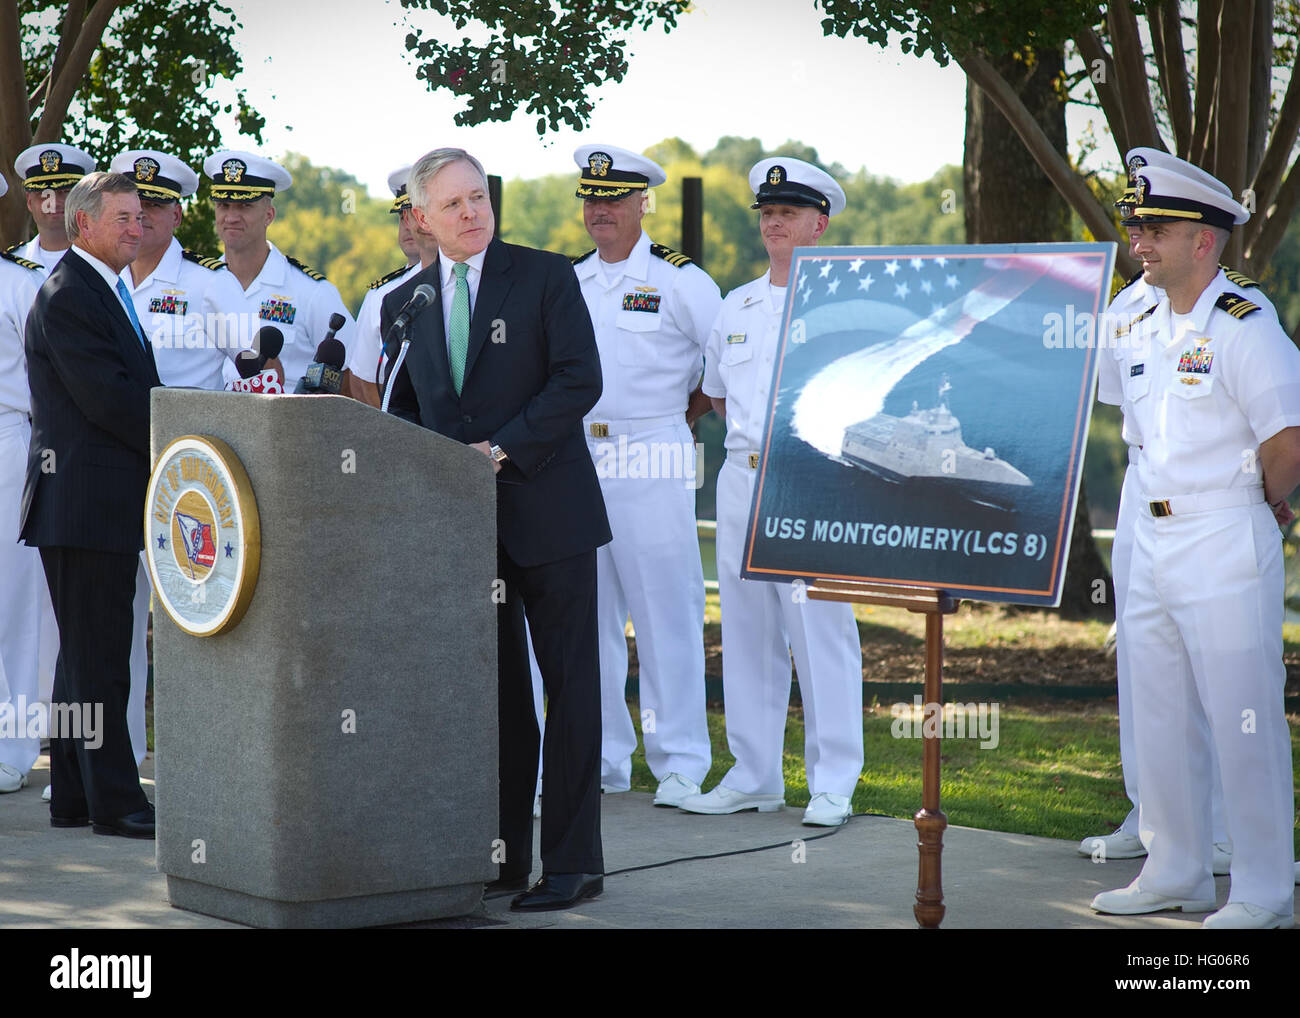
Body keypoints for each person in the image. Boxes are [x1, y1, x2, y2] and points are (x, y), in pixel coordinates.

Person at [381, 147, 610, 911]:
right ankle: (505, 857)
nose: (472, 212)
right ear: (420, 219)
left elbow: (579, 378)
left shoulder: (546, 276)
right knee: (501, 701)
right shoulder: (402, 304)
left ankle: (575, 864)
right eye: (452, 205)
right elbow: (407, 408)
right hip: (467, 531)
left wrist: (502, 447)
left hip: (553, 515)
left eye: (479, 197)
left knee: (571, 690)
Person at [1090, 158, 1300, 928]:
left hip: (1222, 530)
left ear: (1204, 241)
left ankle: (1265, 890)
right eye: (1136, 226)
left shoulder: (1245, 321)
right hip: (1147, 532)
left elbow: (1288, 440)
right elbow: (1124, 420)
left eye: (1155, 229)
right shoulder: (1132, 316)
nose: (1138, 241)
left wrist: (1259, 502)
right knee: (1161, 707)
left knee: (1243, 713)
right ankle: (1174, 866)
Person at [682, 157, 864, 827]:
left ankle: (835, 779)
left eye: (788, 213)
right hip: (741, 476)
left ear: (819, 224)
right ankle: (755, 772)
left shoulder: (845, 306)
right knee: (749, 628)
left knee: (819, 630)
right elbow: (723, 398)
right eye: (767, 212)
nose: (774, 222)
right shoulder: (738, 304)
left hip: (812, 480)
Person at [569, 143, 717, 807]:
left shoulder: (683, 281)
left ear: (641, 203)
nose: (601, 209)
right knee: (587, 618)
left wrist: (676, 423)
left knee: (667, 612)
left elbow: (720, 375)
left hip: (654, 450)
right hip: (578, 457)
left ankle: (681, 762)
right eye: (592, 198)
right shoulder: (568, 282)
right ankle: (604, 759)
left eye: (614, 197)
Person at [19, 171, 160, 838]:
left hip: (92, 503)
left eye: (141, 217)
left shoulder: (103, 288)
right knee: (101, 661)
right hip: (84, 502)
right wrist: (182, 431)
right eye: (126, 218)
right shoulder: (72, 294)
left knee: (81, 659)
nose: (139, 228)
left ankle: (74, 795)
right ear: (84, 225)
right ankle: (119, 803)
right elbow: (109, 398)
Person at [106, 149, 249, 770]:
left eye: (156, 207)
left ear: (177, 214)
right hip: (115, 469)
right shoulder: (103, 283)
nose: (142, 222)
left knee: (192, 619)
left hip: (188, 477)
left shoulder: (209, 286)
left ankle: (196, 767)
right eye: (133, 210)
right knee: (114, 621)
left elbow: (252, 374)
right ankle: (115, 764)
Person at [202, 150, 354, 384]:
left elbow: (352, 377)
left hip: (288, 419)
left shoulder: (312, 292)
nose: (231, 217)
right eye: (223, 205)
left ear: (269, 215)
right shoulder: (200, 284)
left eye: (244, 207)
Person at [0, 173, 46, 794]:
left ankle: (14, 746)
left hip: (8, 441)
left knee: (13, 603)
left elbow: (45, 381)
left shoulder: (21, 284)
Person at [346, 163, 423, 408]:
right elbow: (360, 379)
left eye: (418, 216)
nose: (409, 226)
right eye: (403, 217)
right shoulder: (380, 295)